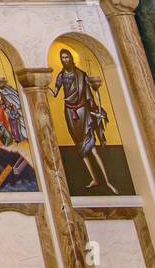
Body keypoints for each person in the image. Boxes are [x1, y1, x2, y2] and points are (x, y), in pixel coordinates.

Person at [50, 48, 117, 192]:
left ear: (71, 58)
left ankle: (108, 180)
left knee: (92, 147)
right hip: (69, 112)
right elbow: (55, 93)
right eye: (62, 58)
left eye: (67, 57)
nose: (65, 60)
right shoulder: (61, 76)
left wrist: (95, 106)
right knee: (81, 148)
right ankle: (94, 178)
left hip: (83, 112)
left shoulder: (81, 75)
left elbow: (90, 93)